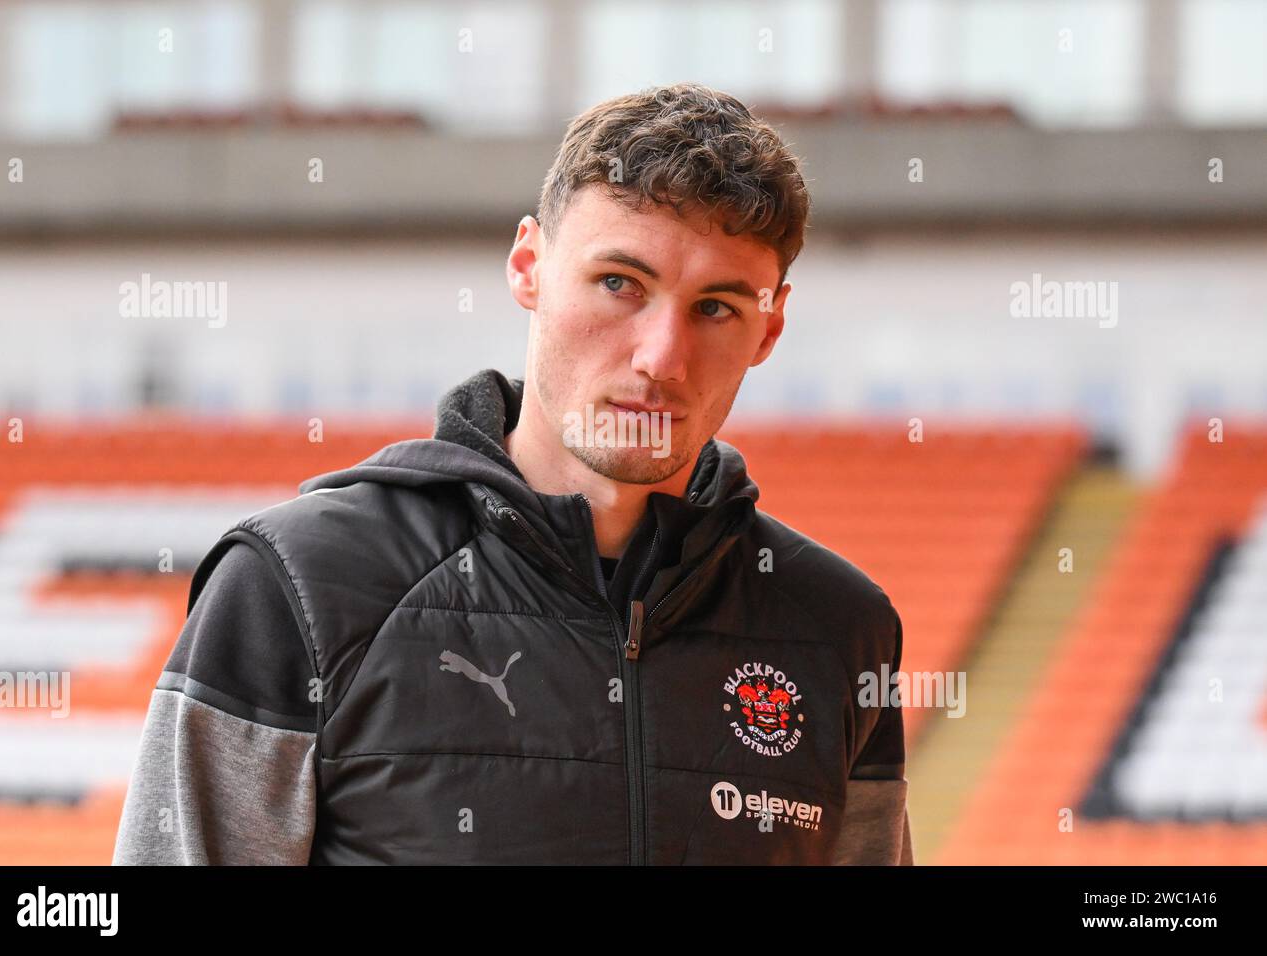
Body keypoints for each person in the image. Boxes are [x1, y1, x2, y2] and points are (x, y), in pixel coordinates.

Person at [112, 82, 912, 865]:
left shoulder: (838, 628)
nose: (661, 358)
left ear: (768, 327)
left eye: (716, 308)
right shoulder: (301, 586)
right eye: (618, 284)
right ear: (528, 266)